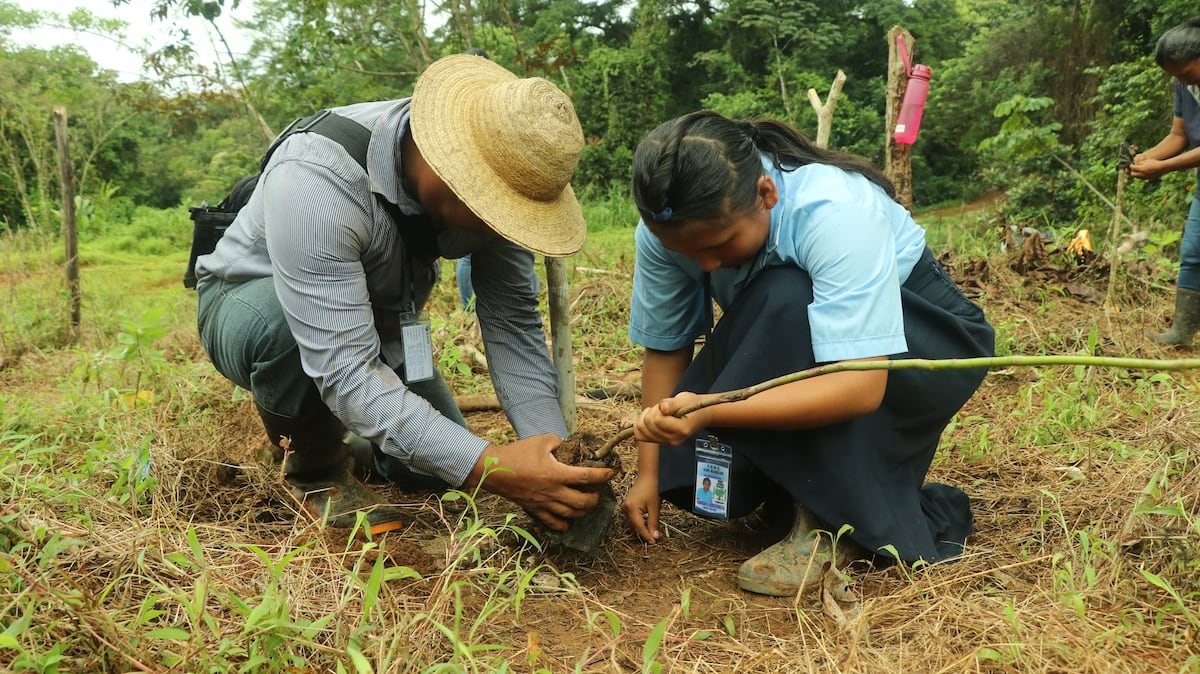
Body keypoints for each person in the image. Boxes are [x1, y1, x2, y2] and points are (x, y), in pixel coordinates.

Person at [193, 54, 613, 536]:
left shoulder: (503, 179)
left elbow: (513, 324)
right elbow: (346, 369)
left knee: (437, 469)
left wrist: (555, 458)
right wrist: (493, 467)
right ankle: (316, 470)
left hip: (379, 323)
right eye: (491, 207)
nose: (499, 226)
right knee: (285, 333)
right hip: (250, 304)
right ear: (443, 159)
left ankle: (346, 439)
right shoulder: (316, 178)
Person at [620, 111, 995, 596]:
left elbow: (859, 387)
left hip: (928, 346)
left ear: (766, 195)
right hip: (810, 344)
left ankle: (832, 527)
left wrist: (713, 408)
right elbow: (667, 348)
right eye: (689, 255)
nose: (707, 265)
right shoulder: (665, 234)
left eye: (718, 246)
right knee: (775, 304)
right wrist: (647, 471)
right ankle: (801, 492)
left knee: (785, 293)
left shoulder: (836, 212)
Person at [1131, 16, 1200, 346]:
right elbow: (1179, 134)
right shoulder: (1184, 83)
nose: (1183, 82)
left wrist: (1164, 166)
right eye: (1176, 78)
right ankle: (1181, 333)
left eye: (1186, 73)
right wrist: (1149, 157)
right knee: (1193, 251)